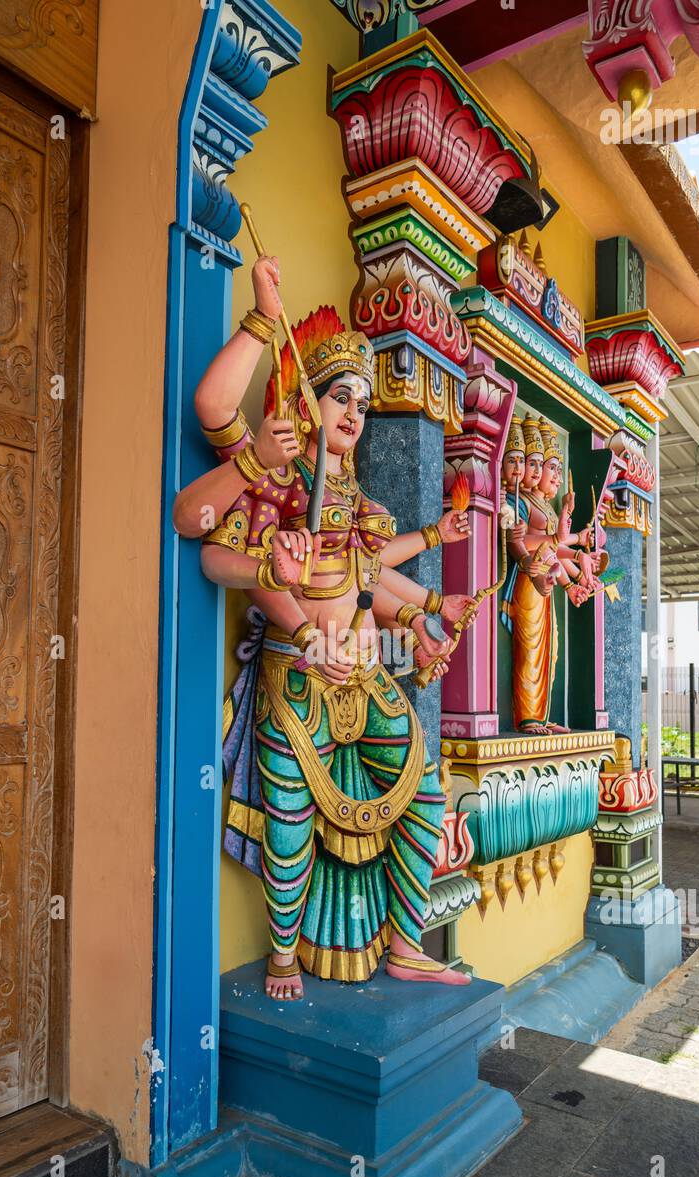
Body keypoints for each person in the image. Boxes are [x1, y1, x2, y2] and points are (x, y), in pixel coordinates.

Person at [173, 254, 476, 1000]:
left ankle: (405, 942)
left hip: (363, 675)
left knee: (423, 789)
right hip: (296, 673)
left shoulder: (354, 497)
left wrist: (426, 615)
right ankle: (282, 955)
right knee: (290, 817)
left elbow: (368, 581)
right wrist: (261, 312)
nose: (353, 413)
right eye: (340, 396)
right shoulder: (276, 472)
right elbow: (208, 535)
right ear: (309, 404)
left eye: (364, 405)